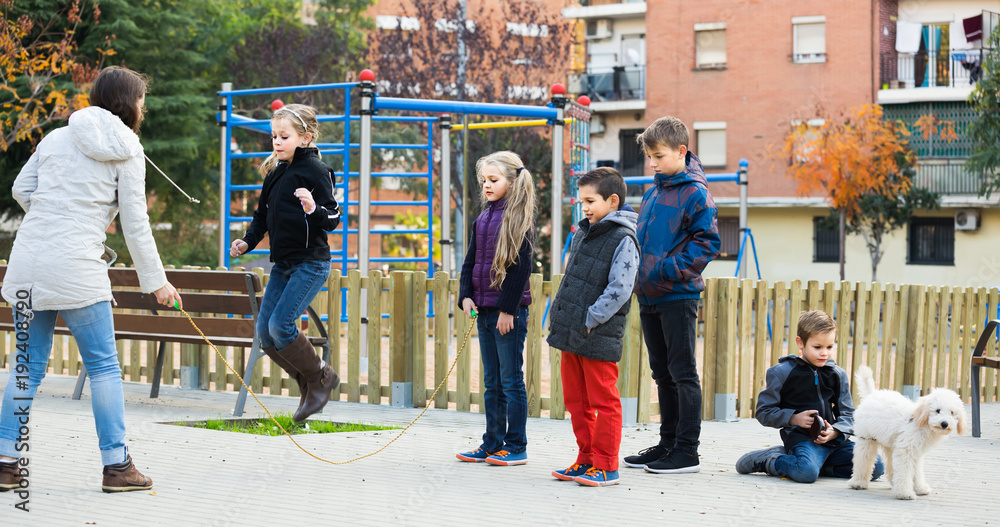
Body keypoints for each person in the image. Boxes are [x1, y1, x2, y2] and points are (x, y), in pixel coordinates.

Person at [0, 66, 182, 493]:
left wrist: (53, 215)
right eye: (141, 101)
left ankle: (5, 463)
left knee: (26, 365)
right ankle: (117, 467)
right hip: (77, 265)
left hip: (28, 262)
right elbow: (135, 224)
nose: (143, 109)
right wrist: (157, 282)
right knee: (102, 366)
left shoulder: (55, 137)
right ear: (129, 103)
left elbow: (21, 189)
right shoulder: (128, 148)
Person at [230, 104, 341, 424]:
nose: (277, 142)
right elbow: (261, 217)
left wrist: (313, 209)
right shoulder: (275, 174)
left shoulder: (318, 171)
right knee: (265, 334)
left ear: (305, 137)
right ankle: (309, 383)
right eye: (274, 136)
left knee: (281, 325)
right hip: (282, 264)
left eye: (284, 136)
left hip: (310, 263)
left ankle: (321, 377)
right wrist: (247, 242)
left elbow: (333, 218)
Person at [623, 116, 720, 475]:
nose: (652, 163)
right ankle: (667, 445)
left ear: (681, 151)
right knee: (662, 374)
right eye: (649, 156)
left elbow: (707, 243)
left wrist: (667, 270)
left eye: (659, 156)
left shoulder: (695, 193)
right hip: (649, 296)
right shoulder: (654, 192)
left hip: (677, 295)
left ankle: (686, 451)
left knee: (682, 373)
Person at [547, 167, 639, 487]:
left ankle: (606, 464)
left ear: (612, 201)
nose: (584, 207)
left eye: (590, 201)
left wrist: (591, 319)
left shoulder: (623, 238)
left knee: (603, 400)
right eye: (581, 201)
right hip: (572, 330)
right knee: (576, 400)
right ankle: (586, 459)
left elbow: (620, 288)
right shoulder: (583, 233)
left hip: (597, 331)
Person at [736, 310, 885, 483]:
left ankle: (816, 465)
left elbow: (849, 414)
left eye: (829, 347)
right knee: (805, 472)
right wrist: (793, 418)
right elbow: (764, 412)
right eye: (817, 347)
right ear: (800, 343)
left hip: (835, 443)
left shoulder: (837, 374)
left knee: (875, 467)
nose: (824, 353)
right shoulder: (781, 373)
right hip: (803, 442)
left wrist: (835, 431)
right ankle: (772, 460)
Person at [455, 151, 535, 466]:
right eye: (484, 181)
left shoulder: (519, 219)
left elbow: (521, 269)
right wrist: (465, 295)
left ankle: (516, 446)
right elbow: (470, 261)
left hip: (506, 315)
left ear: (512, 182)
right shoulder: (483, 218)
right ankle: (492, 443)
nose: (486, 185)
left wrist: (508, 310)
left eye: (493, 180)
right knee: (492, 383)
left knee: (511, 381)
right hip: (484, 312)